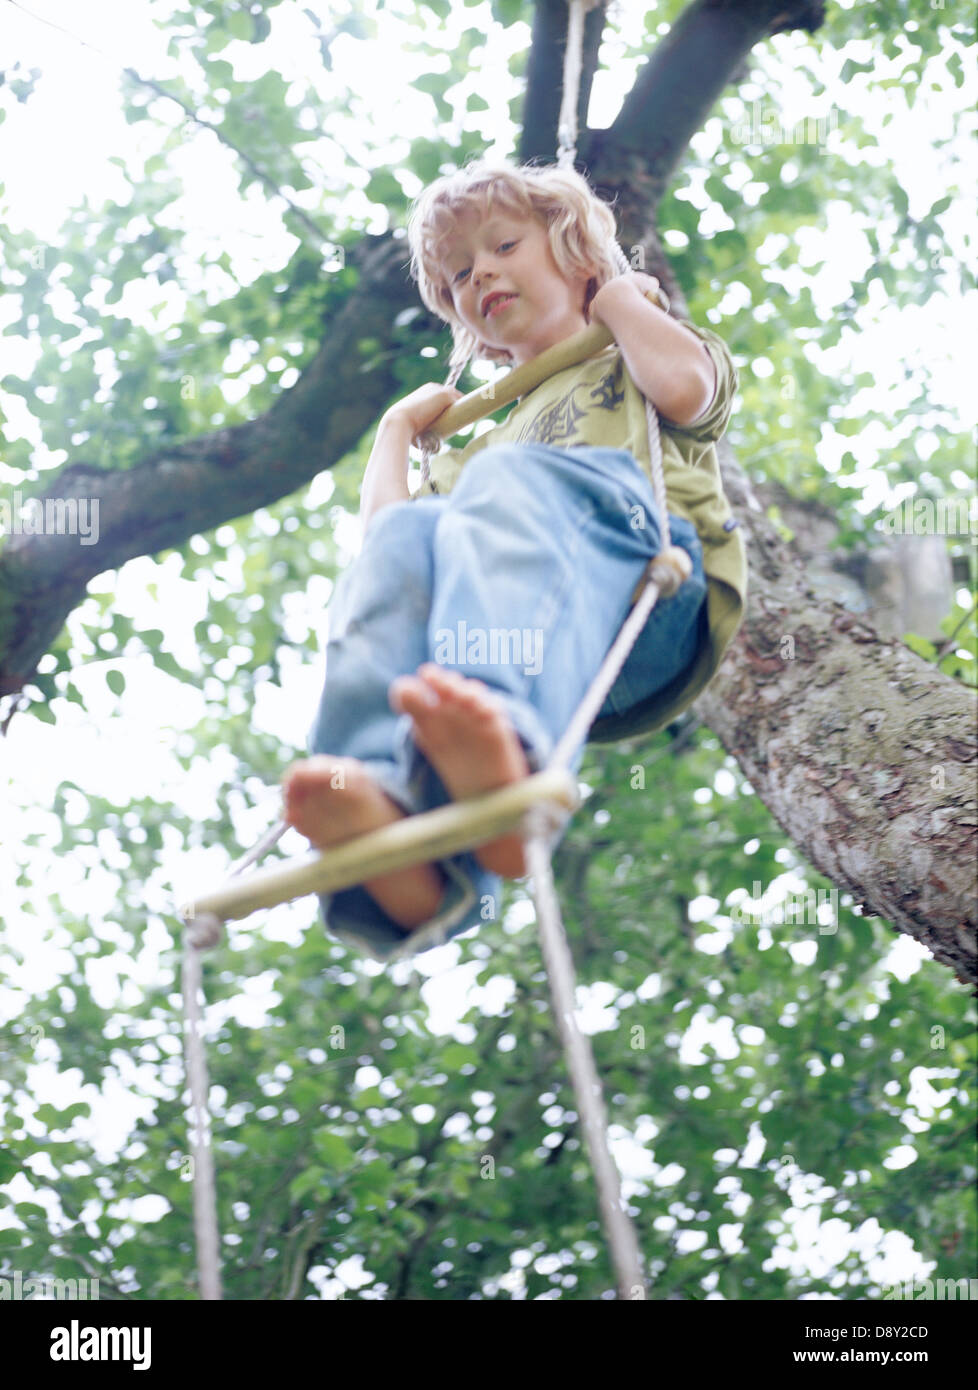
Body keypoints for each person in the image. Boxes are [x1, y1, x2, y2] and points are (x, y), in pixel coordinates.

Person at [282, 160, 747, 963]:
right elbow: (396, 566)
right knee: (415, 535)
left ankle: (499, 730)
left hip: (646, 594)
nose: (483, 271)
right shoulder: (484, 445)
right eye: (462, 272)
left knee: (508, 478)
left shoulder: (626, 351)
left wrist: (624, 299)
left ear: (574, 255)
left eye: (503, 245)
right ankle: (388, 817)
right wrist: (395, 434)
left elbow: (683, 389)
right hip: (553, 654)